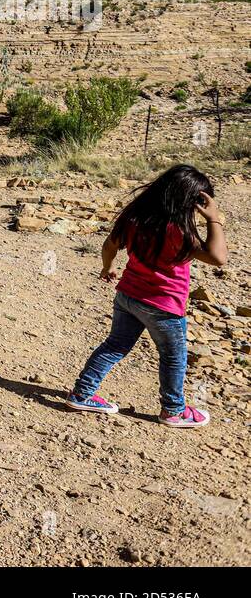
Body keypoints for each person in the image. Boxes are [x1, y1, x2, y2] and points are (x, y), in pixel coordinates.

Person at [68, 165, 227, 427]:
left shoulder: (135, 217)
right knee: (173, 356)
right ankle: (173, 410)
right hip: (164, 306)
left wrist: (107, 268)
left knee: (115, 346)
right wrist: (214, 219)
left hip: (128, 295)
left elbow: (109, 245)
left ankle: (81, 394)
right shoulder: (179, 231)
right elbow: (218, 257)